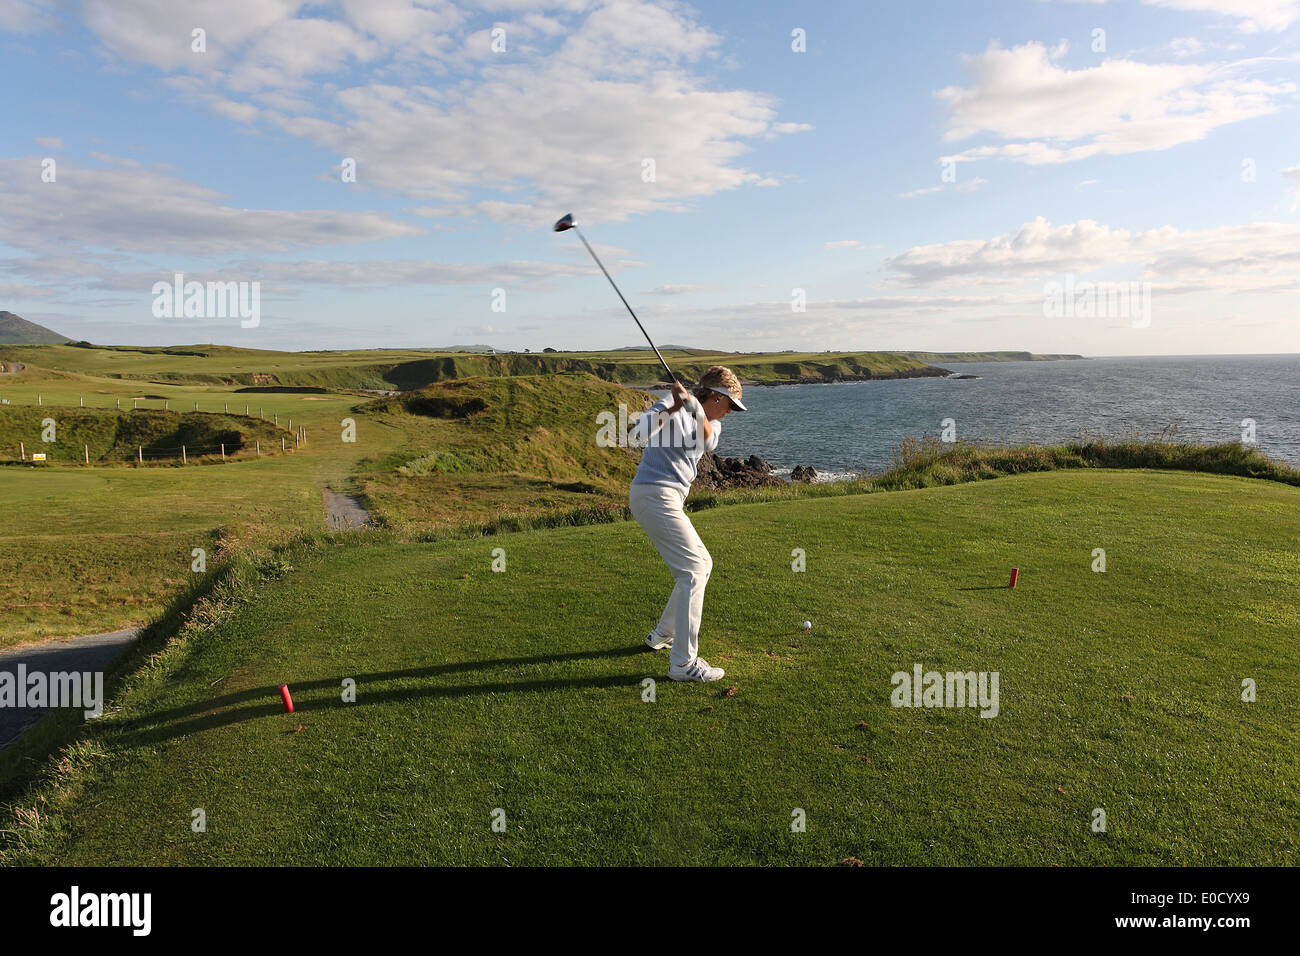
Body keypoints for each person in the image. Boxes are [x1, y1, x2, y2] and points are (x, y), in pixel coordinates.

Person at [629, 365, 747, 682]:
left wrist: (692, 407)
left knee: (701, 565)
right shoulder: (672, 407)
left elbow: (707, 442)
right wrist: (671, 406)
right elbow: (636, 434)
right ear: (717, 397)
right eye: (730, 405)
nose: (730, 412)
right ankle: (682, 663)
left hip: (664, 498)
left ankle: (663, 634)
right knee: (693, 570)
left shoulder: (710, 423)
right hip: (654, 495)